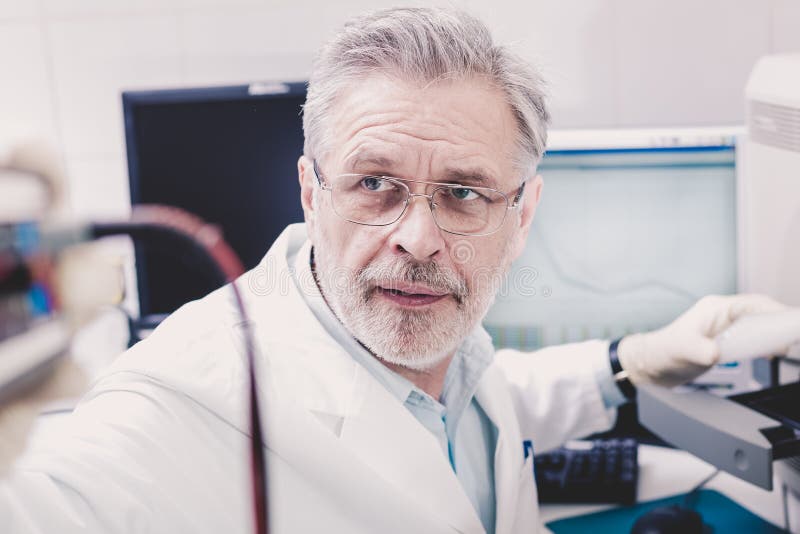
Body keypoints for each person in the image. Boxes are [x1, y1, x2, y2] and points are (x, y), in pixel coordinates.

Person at [0, 7, 787, 534]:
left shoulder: (442, 349)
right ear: (312, 193)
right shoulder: (185, 400)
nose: (417, 237)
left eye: (464, 193)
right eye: (375, 183)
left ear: (522, 216)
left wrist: (624, 363)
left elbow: (458, 411)